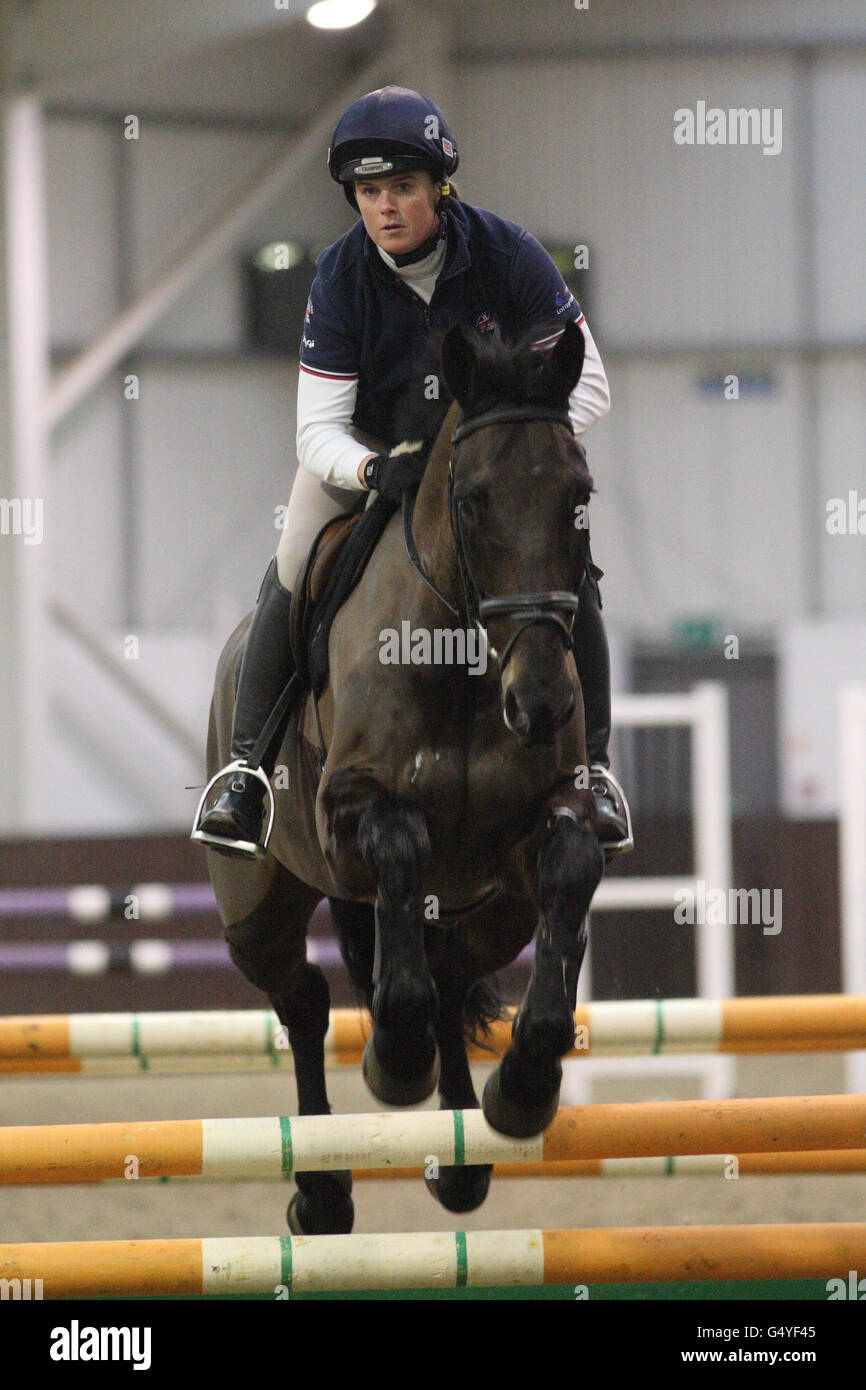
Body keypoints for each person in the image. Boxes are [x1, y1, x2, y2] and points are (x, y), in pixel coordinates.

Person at [193, 85, 632, 859]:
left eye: (402, 188)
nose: (386, 208)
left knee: (574, 572)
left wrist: (499, 445)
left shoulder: (509, 252)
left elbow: (589, 381)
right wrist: (372, 471)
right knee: (295, 558)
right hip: (372, 455)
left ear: (439, 188)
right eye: (369, 192)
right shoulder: (337, 277)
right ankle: (246, 772)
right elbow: (316, 430)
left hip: (491, 460)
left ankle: (594, 769)